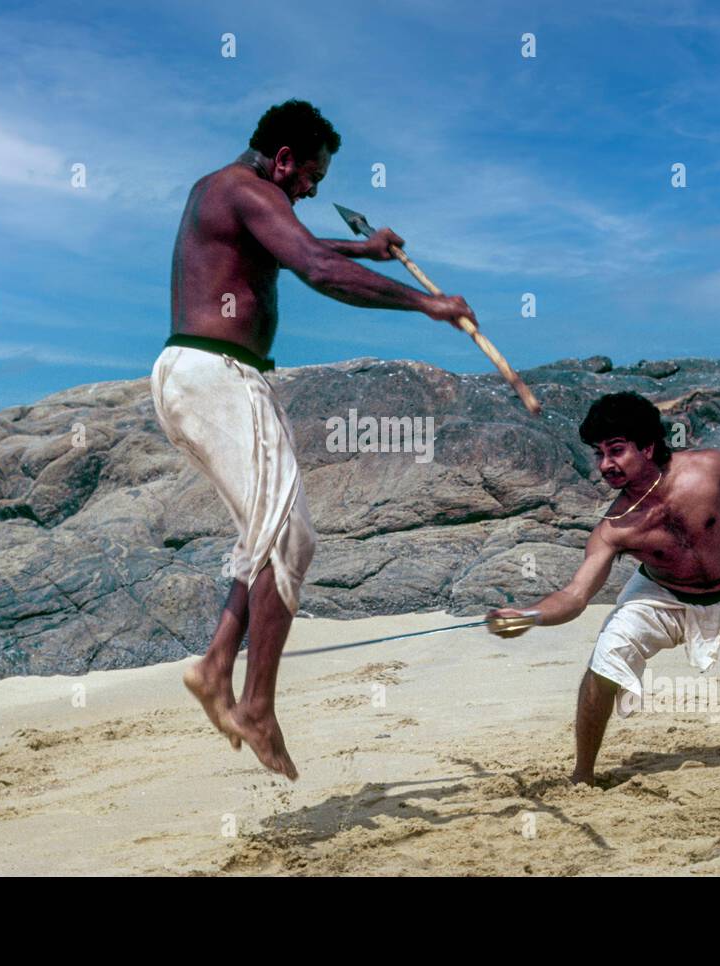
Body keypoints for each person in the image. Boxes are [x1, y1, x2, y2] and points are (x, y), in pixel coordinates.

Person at [151, 99, 478, 780]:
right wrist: (427, 304)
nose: (312, 190)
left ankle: (216, 667)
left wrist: (363, 247)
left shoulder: (223, 191)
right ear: (285, 158)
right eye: (310, 177)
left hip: (202, 376)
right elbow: (314, 270)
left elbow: (302, 247)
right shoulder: (246, 189)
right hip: (216, 377)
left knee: (264, 536)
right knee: (292, 539)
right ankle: (257, 706)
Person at [486, 391, 720, 785]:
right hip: (660, 601)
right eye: (600, 454)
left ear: (648, 446)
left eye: (616, 450)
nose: (606, 465)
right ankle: (583, 774)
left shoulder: (706, 468)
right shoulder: (614, 527)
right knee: (607, 658)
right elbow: (574, 596)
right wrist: (529, 615)